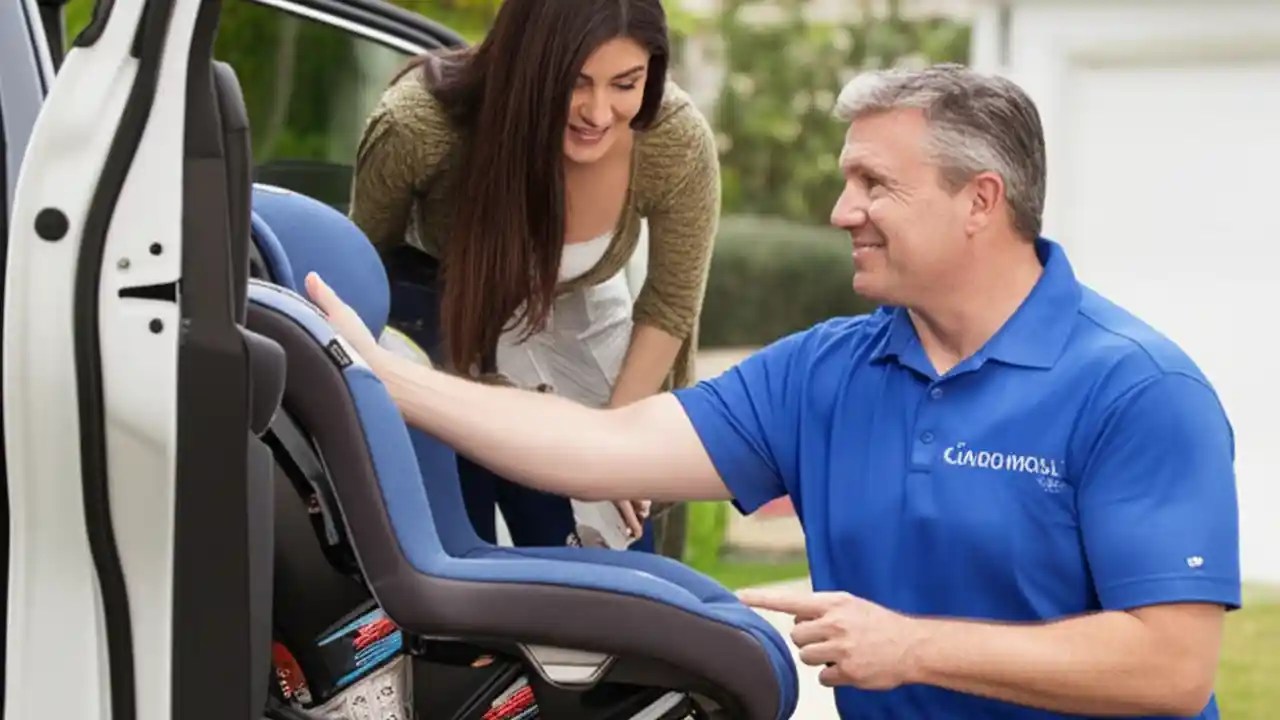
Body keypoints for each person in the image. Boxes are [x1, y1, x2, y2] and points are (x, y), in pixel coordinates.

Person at [311, 63, 1241, 719]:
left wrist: (912, 647)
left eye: (873, 183)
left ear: (980, 202)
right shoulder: (827, 370)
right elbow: (600, 447)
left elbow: (1169, 666)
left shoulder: (1137, 391)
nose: (841, 212)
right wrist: (385, 379)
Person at [346, 0, 721, 550]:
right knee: (452, 564)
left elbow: (670, 304)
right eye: (575, 82)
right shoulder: (418, 127)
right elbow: (359, 268)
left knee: (610, 564)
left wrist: (616, 441)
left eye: (626, 83)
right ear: (524, 65)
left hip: (584, 338)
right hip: (447, 340)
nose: (598, 113)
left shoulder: (673, 139)